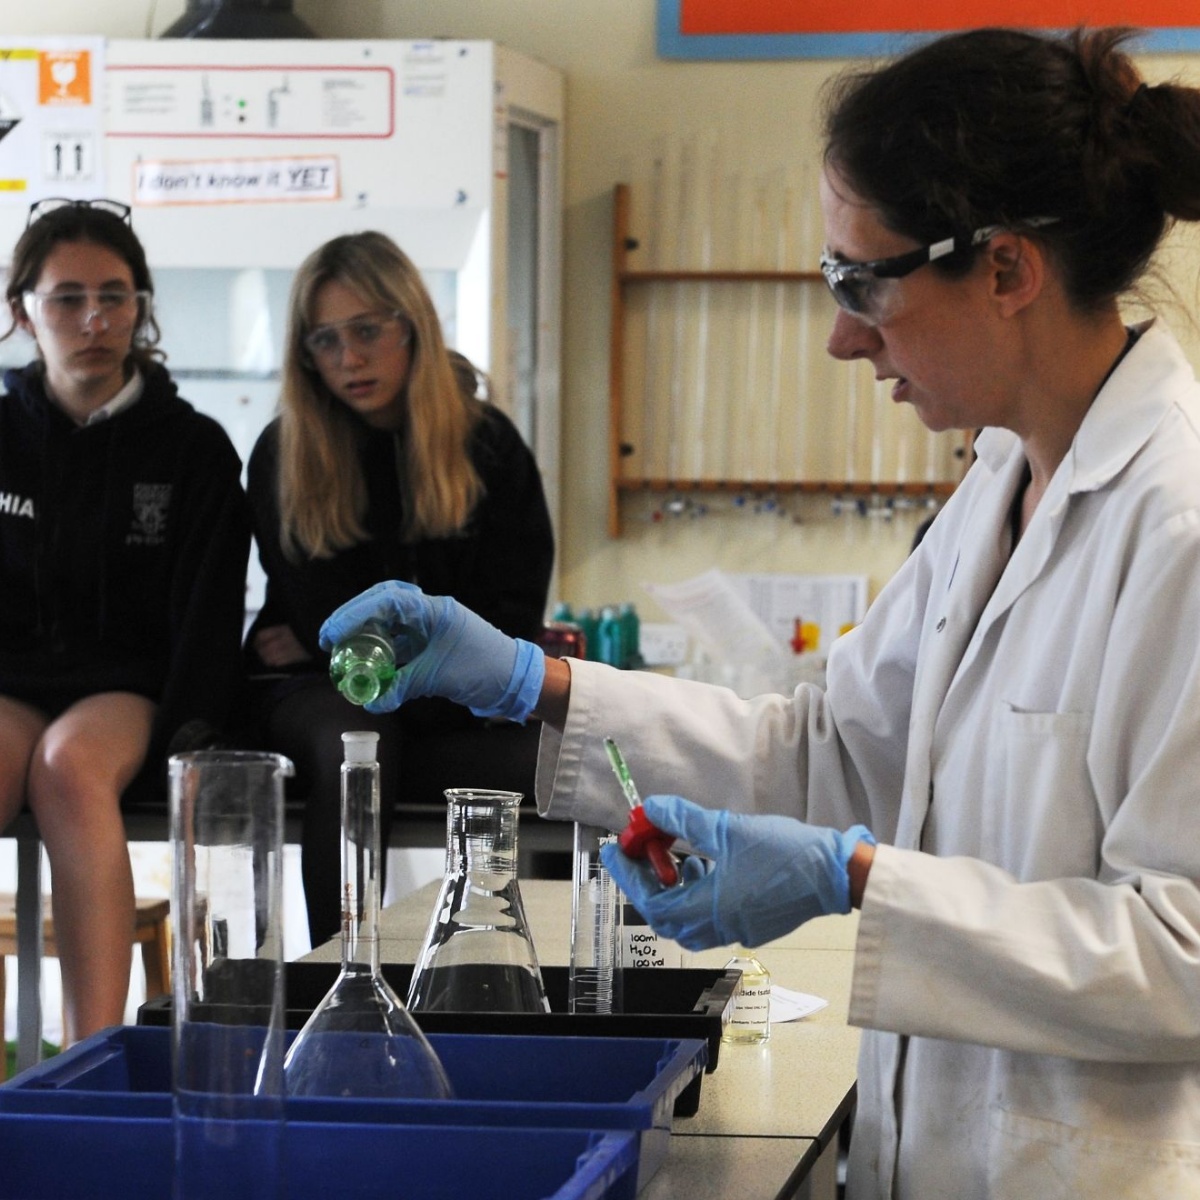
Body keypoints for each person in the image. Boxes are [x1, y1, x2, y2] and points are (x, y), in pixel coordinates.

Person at [317, 27, 1200, 1198]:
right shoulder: (999, 480)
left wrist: (858, 879)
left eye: (863, 280)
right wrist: (535, 685)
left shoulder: (1177, 526)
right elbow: (825, 747)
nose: (842, 336)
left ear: (1004, 269)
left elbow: (1181, 959)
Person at [244, 231, 553, 947]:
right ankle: (343, 980)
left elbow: (510, 621)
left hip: (452, 712)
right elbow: (342, 637)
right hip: (329, 699)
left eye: (366, 332)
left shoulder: (489, 447)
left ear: (411, 325)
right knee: (363, 741)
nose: (348, 359)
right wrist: (428, 648)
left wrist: (438, 659)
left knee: (567, 758)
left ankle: (527, 979)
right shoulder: (284, 454)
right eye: (324, 340)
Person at [0, 198, 251, 1044]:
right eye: (67, 297)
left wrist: (191, 735)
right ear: (23, 310)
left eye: (115, 295)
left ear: (142, 306)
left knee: (68, 769)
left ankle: (88, 1054)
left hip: (123, 690)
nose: (94, 319)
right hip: (12, 686)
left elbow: (211, 612)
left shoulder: (193, 448)